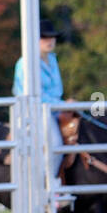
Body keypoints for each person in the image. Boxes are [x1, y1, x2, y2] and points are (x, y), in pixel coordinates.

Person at [12, 19, 66, 180]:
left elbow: (57, 90)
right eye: (44, 37)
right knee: (55, 144)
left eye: (52, 37)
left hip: (53, 110)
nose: (49, 41)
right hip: (34, 112)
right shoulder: (25, 63)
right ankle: (44, 182)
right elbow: (35, 96)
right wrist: (63, 105)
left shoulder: (53, 59)